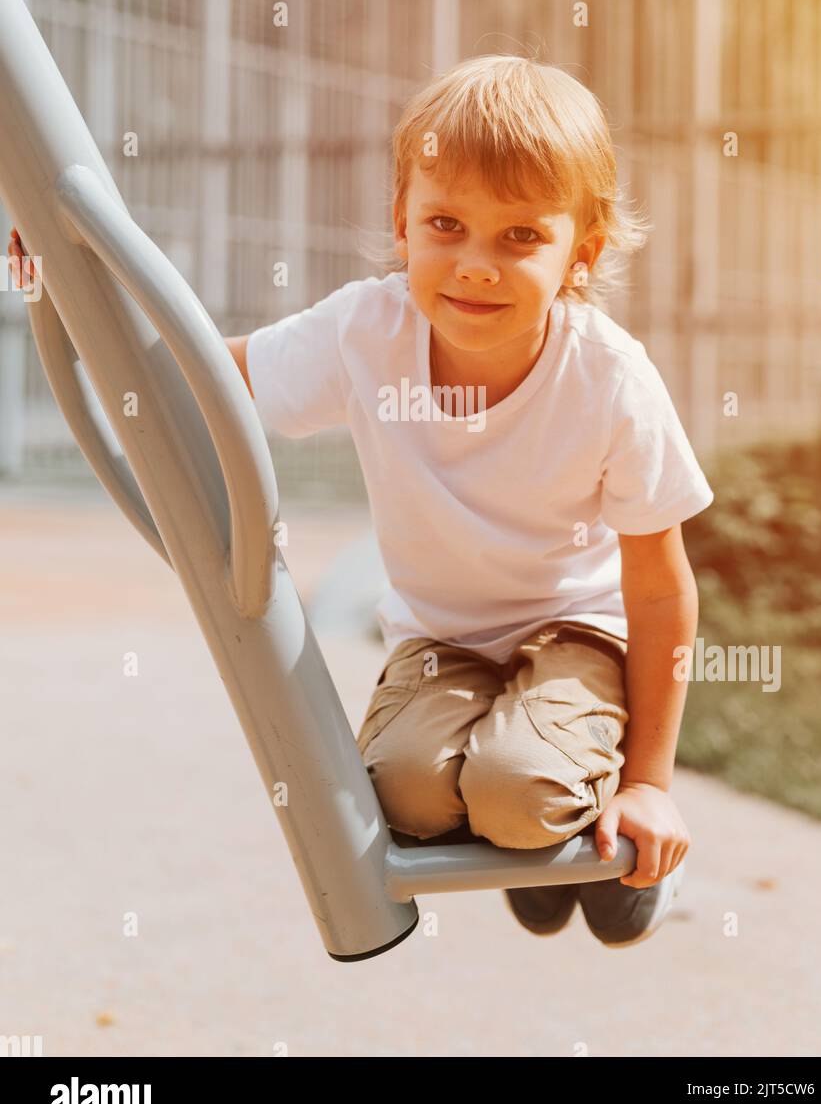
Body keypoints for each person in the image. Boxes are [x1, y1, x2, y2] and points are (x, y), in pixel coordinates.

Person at [8, 54, 713, 945]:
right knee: (407, 797)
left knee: (515, 790)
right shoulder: (368, 331)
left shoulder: (609, 379)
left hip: (571, 632)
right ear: (403, 224)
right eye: (445, 225)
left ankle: (579, 828)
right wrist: (70, 291)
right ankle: (535, 825)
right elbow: (195, 377)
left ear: (585, 250)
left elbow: (657, 586)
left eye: (521, 237)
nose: (475, 266)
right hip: (440, 639)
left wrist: (650, 782)